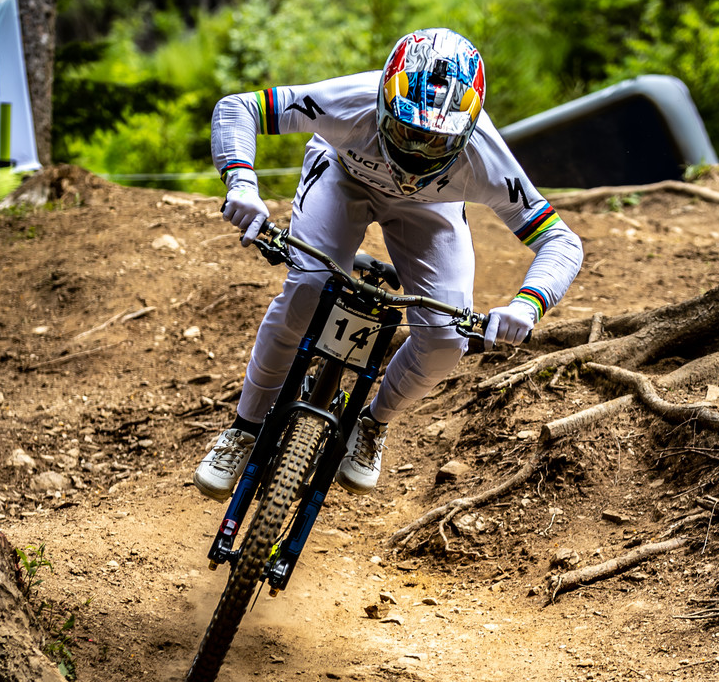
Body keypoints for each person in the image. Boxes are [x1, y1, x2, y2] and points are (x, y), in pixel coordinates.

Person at [193, 28, 584, 501]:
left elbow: (560, 241)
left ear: (466, 134)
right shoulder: (349, 101)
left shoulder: (486, 157)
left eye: (435, 143)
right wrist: (240, 183)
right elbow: (239, 107)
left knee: (445, 338)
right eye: (406, 131)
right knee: (308, 291)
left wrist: (527, 306)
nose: (417, 153)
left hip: (430, 209)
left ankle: (374, 423)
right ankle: (245, 428)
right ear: (382, 100)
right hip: (342, 174)